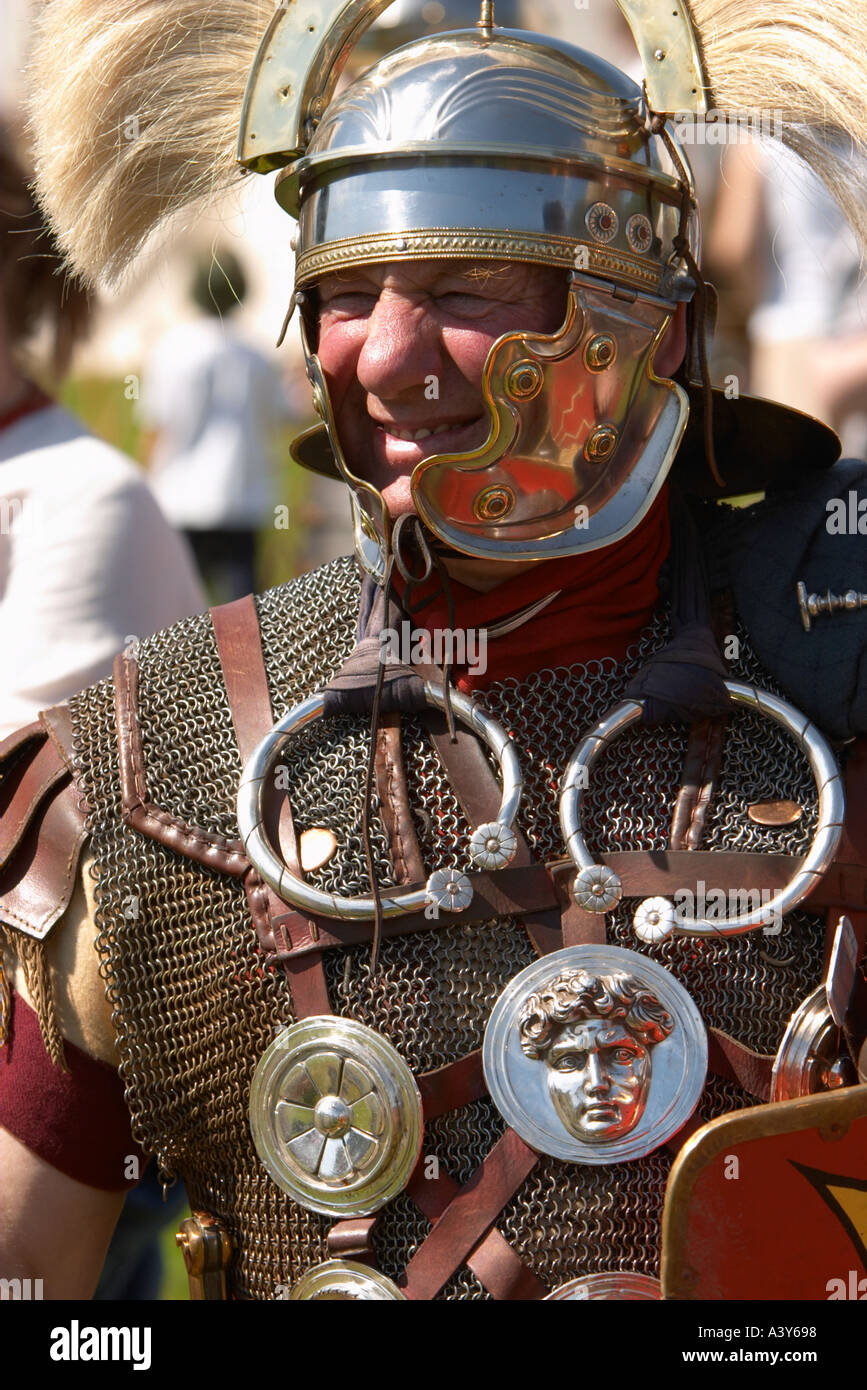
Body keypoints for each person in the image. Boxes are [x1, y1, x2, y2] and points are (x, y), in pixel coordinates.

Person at [1, 0, 865, 1303]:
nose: (389, 356)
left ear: (655, 328)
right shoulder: (158, 752)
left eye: (465, 290)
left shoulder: (836, 694)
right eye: (343, 298)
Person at [140, 249, 289, 603]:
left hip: (180, 500)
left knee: (176, 612)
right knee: (244, 617)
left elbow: (157, 427)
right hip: (242, 500)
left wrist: (145, 485)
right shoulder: (257, 354)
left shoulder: (171, 349)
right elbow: (281, 414)